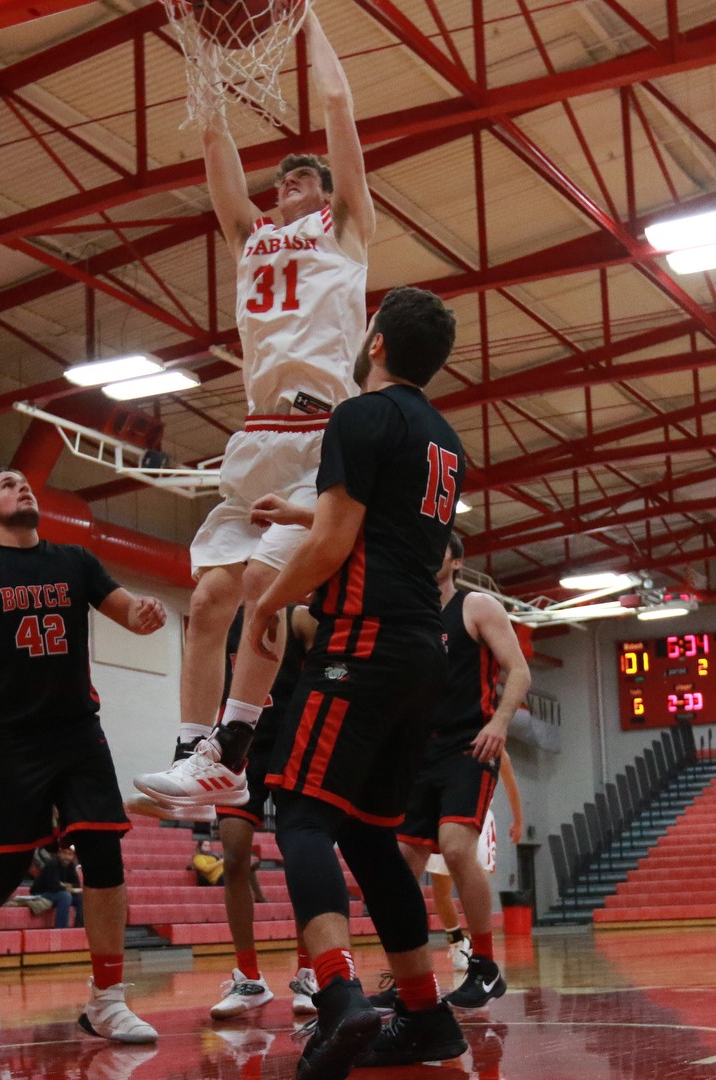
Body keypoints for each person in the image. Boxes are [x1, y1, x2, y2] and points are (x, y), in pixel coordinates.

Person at [131, 11, 376, 825]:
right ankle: (193, 754)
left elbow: (340, 110)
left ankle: (233, 752)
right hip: (258, 433)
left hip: (320, 435)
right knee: (208, 602)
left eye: (299, 181)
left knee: (269, 585)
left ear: (327, 194)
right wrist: (202, 69)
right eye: (280, 183)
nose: (283, 189)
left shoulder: (344, 233)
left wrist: (305, 22)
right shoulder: (251, 240)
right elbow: (216, 163)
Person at [240, 284, 469, 1073]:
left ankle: (337, 996)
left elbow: (340, 542)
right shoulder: (444, 438)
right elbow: (390, 533)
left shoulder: (360, 414)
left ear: (374, 342)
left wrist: (268, 599)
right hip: (419, 651)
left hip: (363, 640)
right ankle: (426, 1015)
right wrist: (303, 517)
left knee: (299, 812)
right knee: (370, 837)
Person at [0, 466, 169, 1044]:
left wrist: (145, 614)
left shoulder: (75, 561)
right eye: (7, 485)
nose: (22, 487)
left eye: (25, 482)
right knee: (6, 867)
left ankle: (107, 1000)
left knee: (104, 854)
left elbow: (127, 610)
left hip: (78, 732)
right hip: (10, 738)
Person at [382, 533, 532, 1010]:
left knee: (453, 844)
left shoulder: (477, 605)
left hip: (470, 744)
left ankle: (485, 968)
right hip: (419, 753)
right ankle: (408, 978)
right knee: (400, 861)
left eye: (436, 547)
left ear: (456, 560)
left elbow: (520, 671)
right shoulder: (411, 615)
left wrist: (500, 722)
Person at [208, 605, 321, 1022]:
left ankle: (309, 970)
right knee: (234, 857)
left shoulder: (300, 615)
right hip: (243, 749)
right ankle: (249, 978)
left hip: (294, 746)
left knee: (301, 858)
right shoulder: (224, 616)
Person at [423, 755, 523, 976]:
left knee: (475, 888)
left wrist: (518, 820)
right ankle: (458, 943)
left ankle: (483, 953)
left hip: (478, 817)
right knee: (441, 891)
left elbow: (509, 780)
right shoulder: (444, 738)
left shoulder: (493, 743)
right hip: (443, 817)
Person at [30, 843, 84, 929]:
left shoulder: (70, 866)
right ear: (59, 853)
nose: (66, 857)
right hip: (41, 893)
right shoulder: (52, 864)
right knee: (66, 896)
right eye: (64, 853)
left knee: (81, 897)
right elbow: (54, 886)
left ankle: (79, 927)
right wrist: (71, 889)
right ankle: (61, 929)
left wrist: (64, 885)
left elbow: (76, 884)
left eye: (69, 854)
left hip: (56, 893)